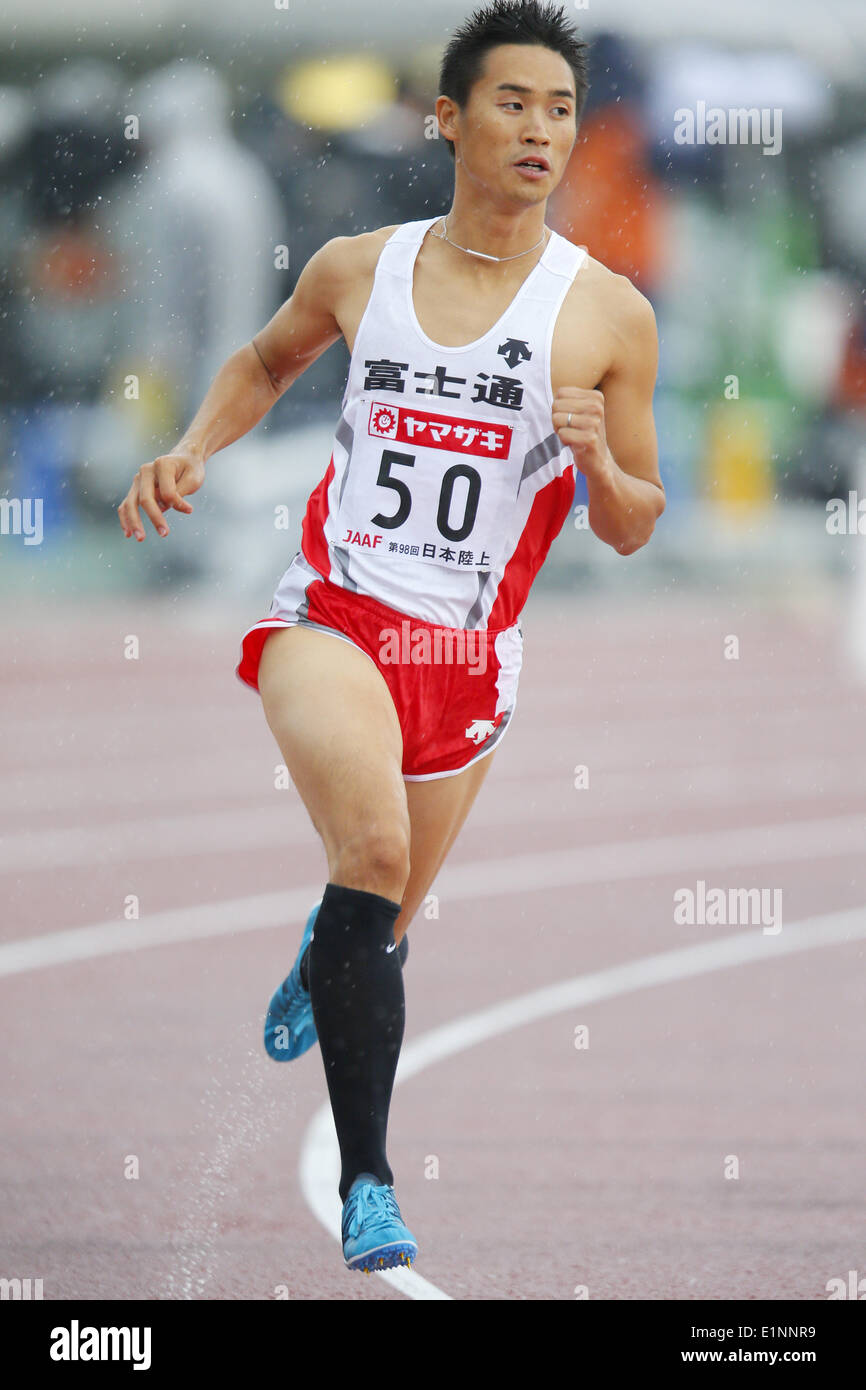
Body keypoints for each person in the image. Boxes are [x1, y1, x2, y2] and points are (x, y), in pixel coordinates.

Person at [117, 0, 665, 1277]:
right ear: (449, 118)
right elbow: (265, 360)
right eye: (512, 102)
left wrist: (599, 472)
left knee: (383, 920)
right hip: (337, 607)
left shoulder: (607, 317)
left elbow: (636, 522)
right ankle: (369, 1180)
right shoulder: (358, 267)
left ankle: (333, 949)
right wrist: (191, 451)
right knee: (366, 852)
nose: (538, 129)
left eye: (559, 110)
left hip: (468, 661)